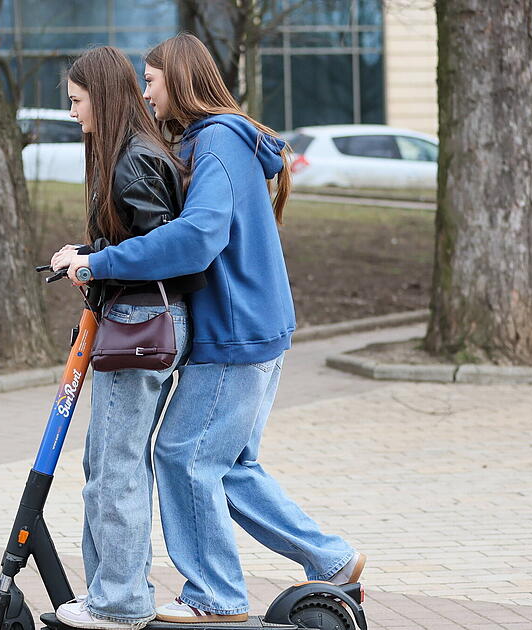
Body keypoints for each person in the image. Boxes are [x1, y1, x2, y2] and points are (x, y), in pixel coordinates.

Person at [53, 34, 364, 625]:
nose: (145, 94)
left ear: (181, 80)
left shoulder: (218, 140)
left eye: (152, 81)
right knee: (226, 465)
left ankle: (215, 596)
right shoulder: (216, 139)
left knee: (184, 457)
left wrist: (101, 263)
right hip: (253, 328)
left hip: (235, 332)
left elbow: (196, 238)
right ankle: (331, 560)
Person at [51, 46, 205, 630]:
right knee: (107, 462)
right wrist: (88, 254)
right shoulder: (134, 155)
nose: (72, 113)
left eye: (76, 101)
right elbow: (141, 243)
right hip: (138, 324)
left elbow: (164, 251)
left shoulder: (131, 161)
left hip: (140, 329)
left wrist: (97, 263)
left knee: (115, 467)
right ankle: (108, 594)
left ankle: (119, 602)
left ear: (101, 97)